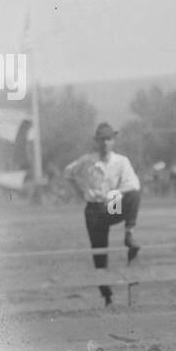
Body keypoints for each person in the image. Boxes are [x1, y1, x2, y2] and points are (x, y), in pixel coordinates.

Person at [63, 122, 142, 306]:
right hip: (93, 208)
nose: (105, 143)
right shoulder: (87, 160)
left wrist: (114, 195)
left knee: (134, 195)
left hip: (112, 204)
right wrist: (80, 192)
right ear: (96, 141)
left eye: (109, 139)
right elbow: (68, 173)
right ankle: (107, 296)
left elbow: (133, 185)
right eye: (102, 139)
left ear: (113, 141)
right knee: (99, 253)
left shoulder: (121, 161)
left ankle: (129, 233)